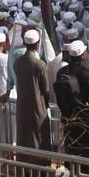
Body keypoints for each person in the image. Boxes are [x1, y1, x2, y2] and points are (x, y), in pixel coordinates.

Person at [12, 29, 51, 160]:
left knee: (24, 136)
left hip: (22, 105)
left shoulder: (17, 62)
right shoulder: (40, 65)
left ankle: (25, 169)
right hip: (37, 107)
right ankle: (38, 169)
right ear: (37, 44)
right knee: (38, 137)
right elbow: (45, 90)